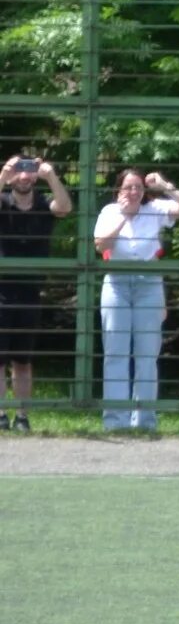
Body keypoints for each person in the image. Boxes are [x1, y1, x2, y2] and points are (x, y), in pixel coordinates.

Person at [92, 168, 179, 431]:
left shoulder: (155, 208)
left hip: (149, 283)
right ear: (118, 191)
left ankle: (145, 421)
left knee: (147, 354)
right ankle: (116, 420)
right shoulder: (109, 212)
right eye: (128, 187)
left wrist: (165, 185)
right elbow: (101, 245)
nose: (134, 192)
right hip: (116, 283)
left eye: (138, 187)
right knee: (116, 352)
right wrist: (124, 217)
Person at [0, 152, 72, 430]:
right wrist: (3, 177)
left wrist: (51, 175)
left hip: (31, 292)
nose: (24, 175)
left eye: (28, 170)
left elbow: (64, 207)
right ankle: (1, 415)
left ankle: (22, 417)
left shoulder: (43, 205)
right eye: (19, 169)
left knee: (23, 361)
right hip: (2, 290)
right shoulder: (4, 201)